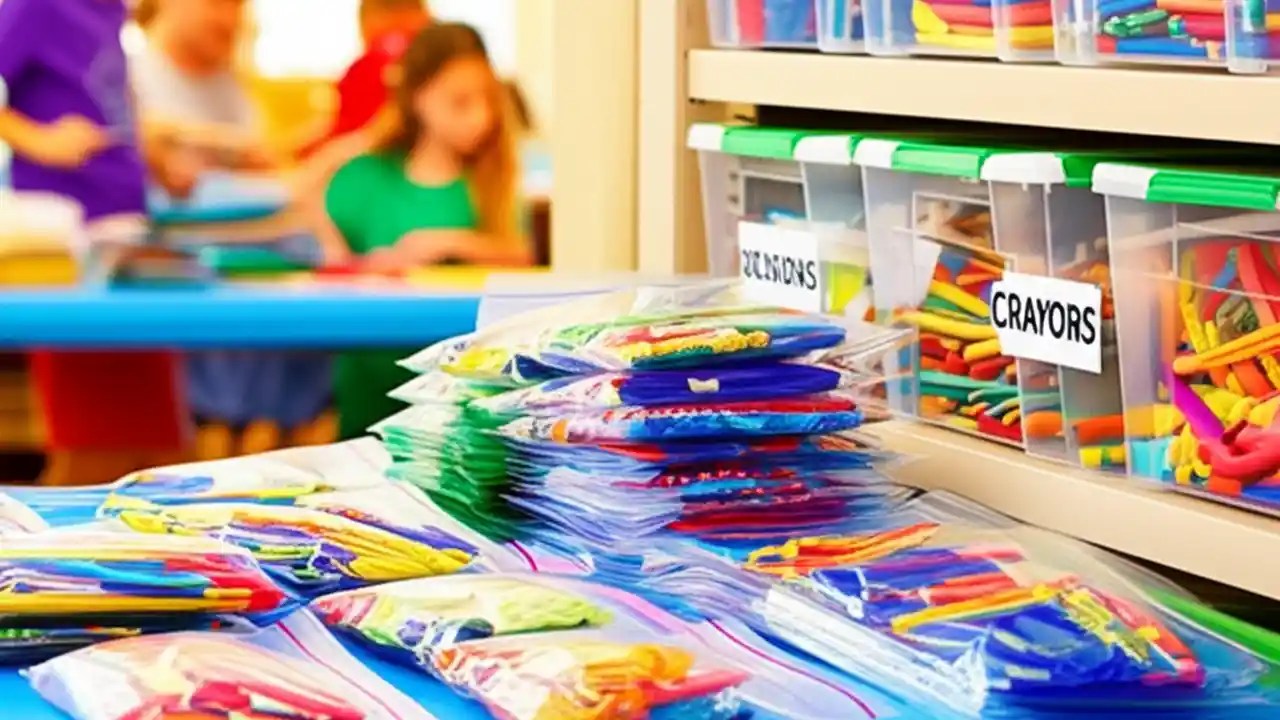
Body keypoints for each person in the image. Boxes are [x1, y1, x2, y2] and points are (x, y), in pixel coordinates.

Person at [132, 0, 332, 457]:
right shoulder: (132, 80)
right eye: (220, 3)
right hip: (180, 295)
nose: (233, 18)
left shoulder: (231, 86)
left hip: (258, 281)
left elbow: (268, 173)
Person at [0, 0, 188, 484]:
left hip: (126, 229)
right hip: (72, 240)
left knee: (160, 454)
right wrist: (39, 139)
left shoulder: (111, 10)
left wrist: (155, 161)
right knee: (94, 452)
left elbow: (110, 95)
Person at [323, 22, 533, 437]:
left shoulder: (491, 180)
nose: (482, 117)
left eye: (488, 100)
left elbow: (520, 254)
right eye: (459, 102)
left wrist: (448, 242)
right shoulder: (369, 176)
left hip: (461, 393)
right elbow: (310, 217)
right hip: (371, 380)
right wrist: (349, 261)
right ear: (418, 99)